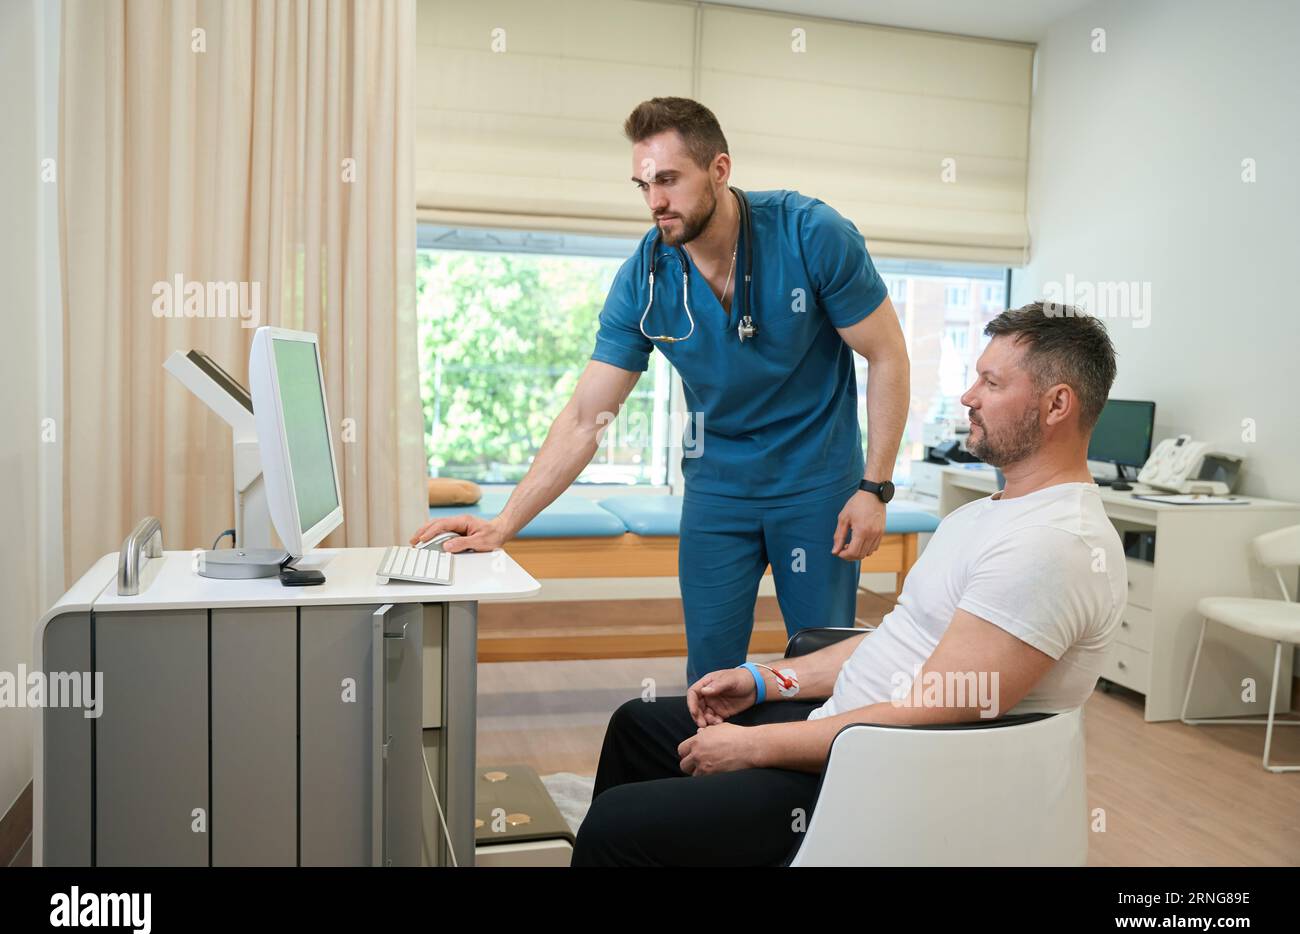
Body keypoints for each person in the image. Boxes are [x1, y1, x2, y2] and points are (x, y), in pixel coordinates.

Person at [571, 301, 1127, 866]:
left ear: (1057, 404)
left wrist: (755, 746)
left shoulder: (1052, 545)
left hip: (890, 779)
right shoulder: (985, 515)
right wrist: (765, 681)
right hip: (849, 729)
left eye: (991, 382)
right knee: (637, 726)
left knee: (618, 827)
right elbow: (899, 638)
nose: (968, 397)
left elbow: (941, 709)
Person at [410, 97, 910, 681]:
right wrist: (503, 524)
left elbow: (887, 355)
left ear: (719, 170)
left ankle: (818, 771)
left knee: (821, 664)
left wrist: (874, 487)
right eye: (643, 185)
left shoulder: (810, 233)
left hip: (818, 485)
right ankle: (716, 770)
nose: (655, 203)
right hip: (718, 488)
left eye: (668, 180)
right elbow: (584, 418)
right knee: (710, 669)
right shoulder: (645, 277)